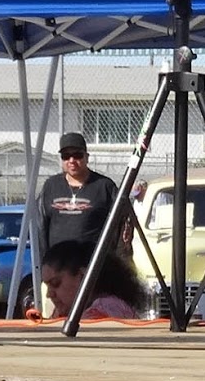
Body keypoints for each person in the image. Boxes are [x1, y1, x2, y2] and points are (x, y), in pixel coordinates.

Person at [37, 132, 126, 262]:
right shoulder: (50, 185)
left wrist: (114, 261)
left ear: (87, 157)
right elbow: (40, 226)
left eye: (77, 155)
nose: (72, 161)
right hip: (58, 265)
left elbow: (121, 225)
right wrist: (44, 261)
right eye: (66, 156)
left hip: (92, 266)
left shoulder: (104, 186)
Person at [41, 238, 145, 320]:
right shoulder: (66, 311)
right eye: (47, 286)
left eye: (55, 283)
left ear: (83, 277)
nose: (49, 294)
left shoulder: (106, 309)